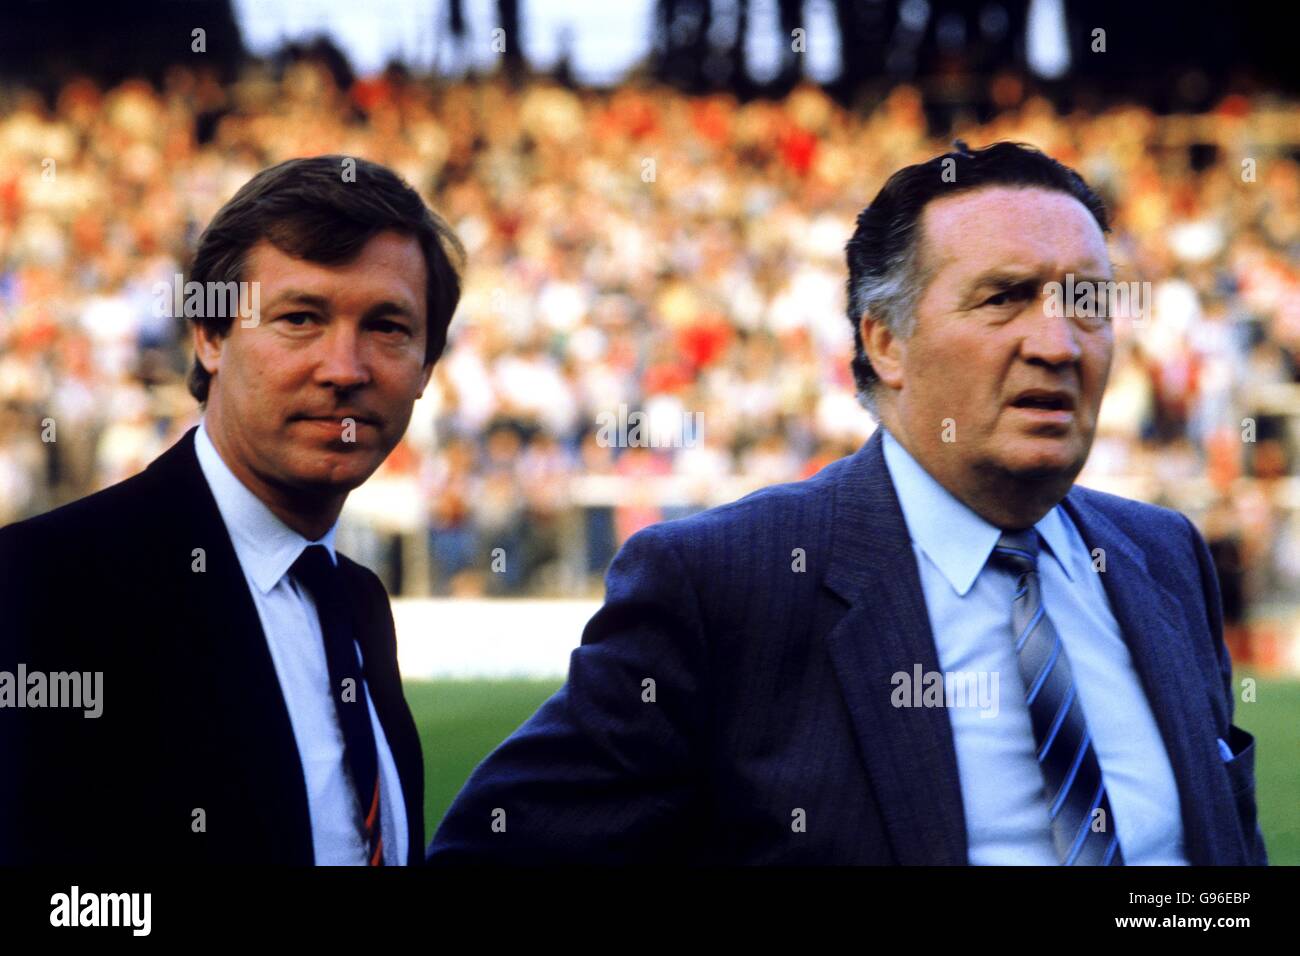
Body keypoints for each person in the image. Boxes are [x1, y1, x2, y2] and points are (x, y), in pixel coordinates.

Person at [428, 142, 1266, 866]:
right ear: (885, 342)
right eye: (1004, 296)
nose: (1056, 342)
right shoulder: (727, 582)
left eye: (1087, 302)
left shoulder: (1163, 556)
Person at [0, 155, 464, 865]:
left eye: (388, 327)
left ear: (426, 366)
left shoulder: (357, 603)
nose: (345, 368)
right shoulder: (45, 583)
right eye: (300, 318)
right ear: (210, 338)